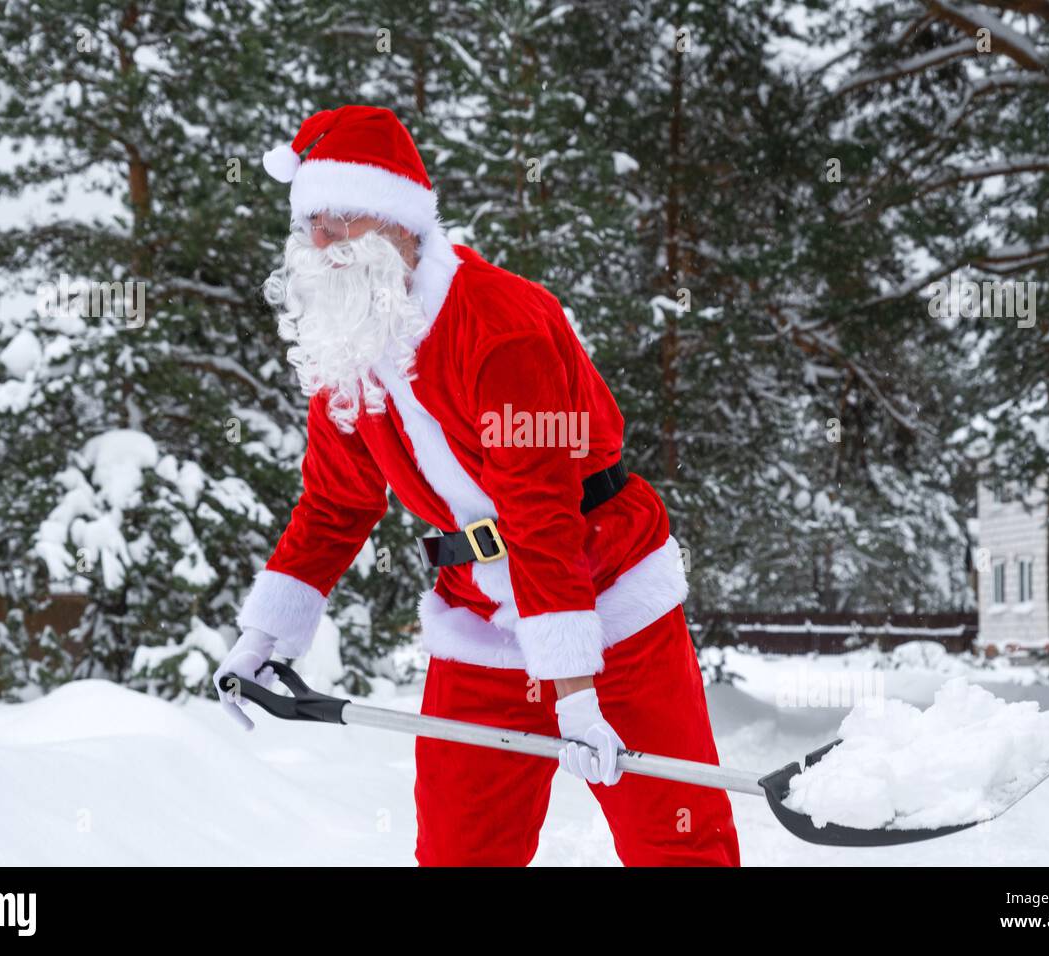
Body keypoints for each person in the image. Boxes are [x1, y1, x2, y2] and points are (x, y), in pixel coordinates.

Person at [214, 104, 740, 867]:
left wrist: (576, 694)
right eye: (310, 225)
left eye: (341, 220)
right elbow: (336, 503)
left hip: (607, 601)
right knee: (462, 852)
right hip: (478, 618)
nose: (321, 244)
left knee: (677, 841)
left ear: (399, 223)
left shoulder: (502, 326)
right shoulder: (347, 342)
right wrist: (264, 635)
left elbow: (541, 514)